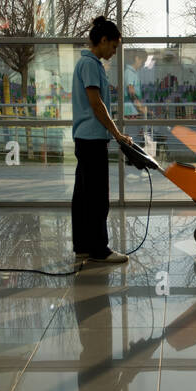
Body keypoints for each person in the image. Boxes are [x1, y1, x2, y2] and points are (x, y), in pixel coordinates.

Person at [72, 16, 135, 267]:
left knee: (84, 195)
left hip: (85, 138)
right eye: (114, 47)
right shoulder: (90, 65)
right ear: (104, 39)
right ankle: (99, 249)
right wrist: (117, 134)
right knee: (97, 197)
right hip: (92, 139)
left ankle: (83, 246)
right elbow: (96, 105)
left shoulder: (89, 63)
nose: (114, 52)